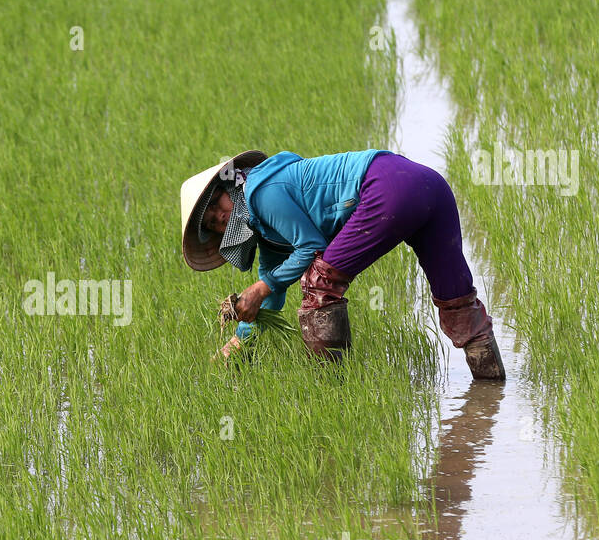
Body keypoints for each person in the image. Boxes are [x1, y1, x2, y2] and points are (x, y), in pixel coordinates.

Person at [179, 149, 505, 378]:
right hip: (428, 185)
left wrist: (261, 288)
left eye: (217, 207)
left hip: (385, 187)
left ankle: (334, 394)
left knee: (319, 285)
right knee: (456, 299)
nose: (220, 218)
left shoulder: (261, 191)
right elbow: (273, 293)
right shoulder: (268, 230)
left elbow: (309, 246)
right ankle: (489, 397)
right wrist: (236, 344)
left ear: (228, 187)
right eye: (212, 224)